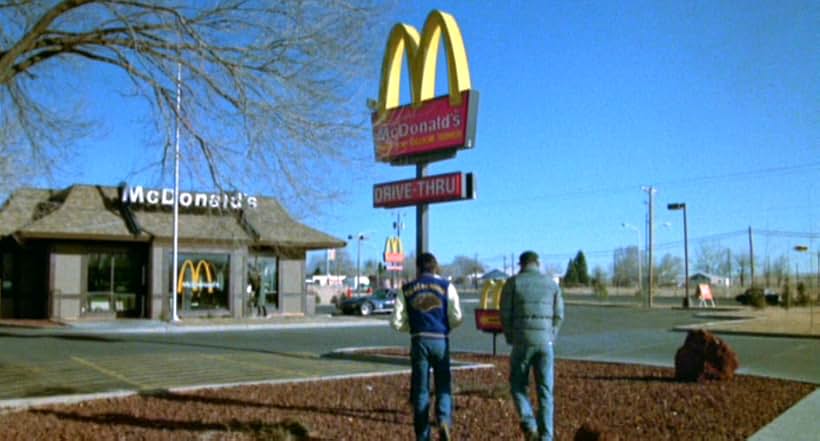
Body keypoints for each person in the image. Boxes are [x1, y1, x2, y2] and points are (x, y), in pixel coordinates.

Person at [391, 252, 463, 441]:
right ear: (435, 266)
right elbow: (457, 316)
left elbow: (396, 321)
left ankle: (423, 435)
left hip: (419, 340)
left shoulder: (406, 289)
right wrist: (446, 326)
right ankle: (443, 419)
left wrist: (412, 328)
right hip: (441, 339)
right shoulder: (447, 286)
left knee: (421, 389)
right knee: (443, 384)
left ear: (418, 268)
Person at [500, 251, 564, 441]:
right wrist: (551, 335)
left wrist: (511, 337)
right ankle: (547, 436)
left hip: (522, 342)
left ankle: (530, 426)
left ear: (521, 264)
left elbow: (505, 314)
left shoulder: (513, 283)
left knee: (518, 386)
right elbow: (559, 314)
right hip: (546, 343)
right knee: (545, 391)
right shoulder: (552, 284)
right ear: (538, 263)